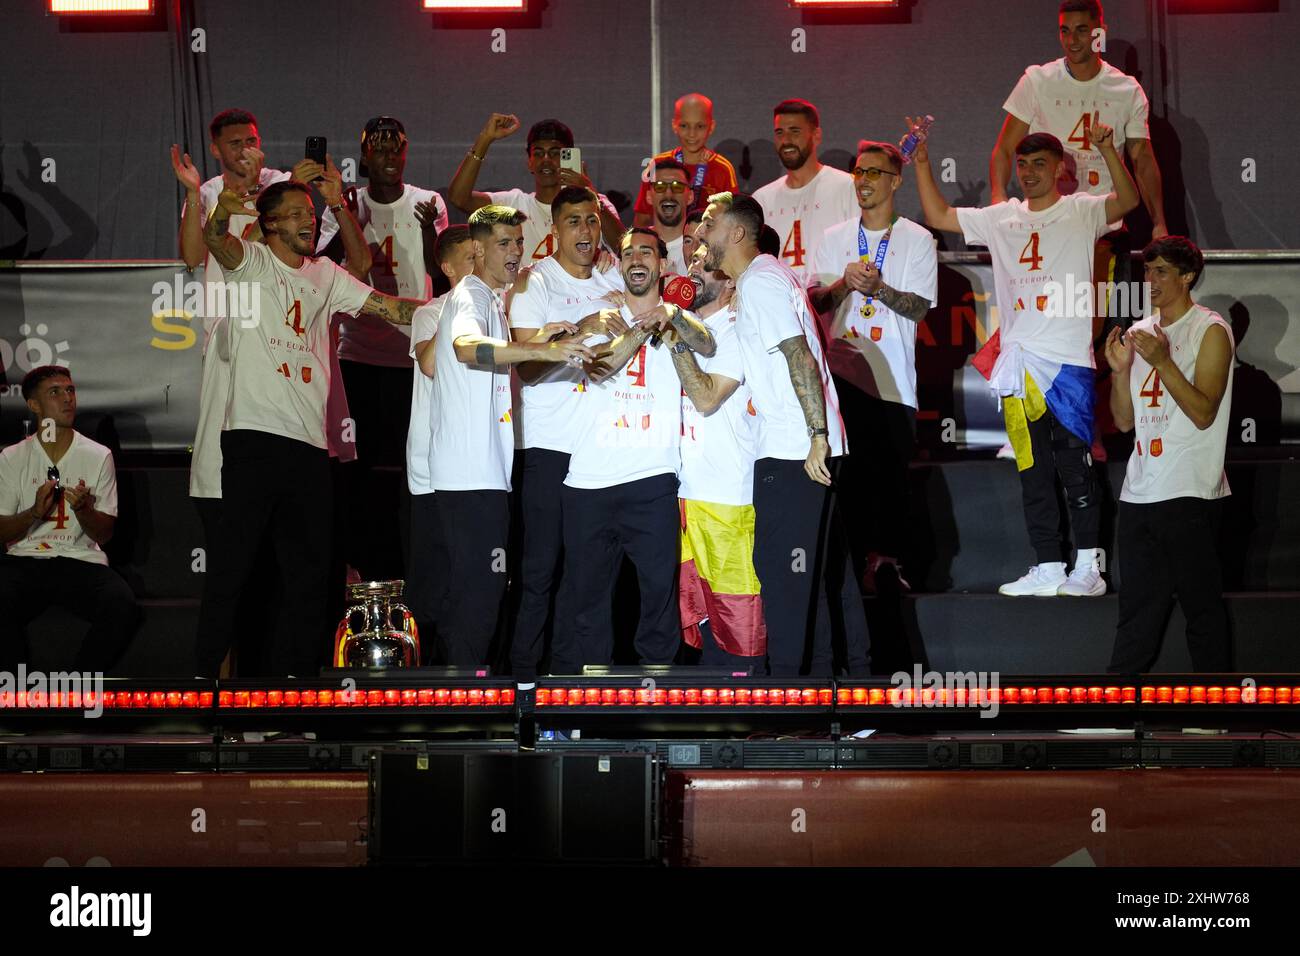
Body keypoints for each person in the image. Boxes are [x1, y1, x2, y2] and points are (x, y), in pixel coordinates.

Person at [193, 180, 427, 678]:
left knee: (309, 579)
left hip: (308, 449)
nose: (307, 219)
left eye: (310, 211)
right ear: (271, 222)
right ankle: (200, 692)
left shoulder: (326, 274)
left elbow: (391, 309)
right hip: (252, 440)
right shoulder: (253, 262)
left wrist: (452, 310)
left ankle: (291, 698)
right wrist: (219, 214)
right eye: (296, 212)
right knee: (231, 574)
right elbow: (218, 243)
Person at [914, 126, 1139, 597]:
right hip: (1018, 365)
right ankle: (1049, 565)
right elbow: (938, 214)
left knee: (1076, 468)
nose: (1030, 173)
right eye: (1023, 164)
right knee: (1033, 472)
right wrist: (921, 161)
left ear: (1060, 168)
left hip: (1067, 365)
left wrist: (1105, 149)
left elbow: (1128, 201)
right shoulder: (1002, 217)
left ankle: (1089, 567)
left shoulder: (1081, 210)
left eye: (1040, 164)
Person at [699, 193, 868, 676]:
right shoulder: (767, 279)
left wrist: (815, 434)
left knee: (787, 581)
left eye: (709, 225)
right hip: (806, 449)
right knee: (820, 581)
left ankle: (790, 709)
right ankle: (829, 701)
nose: (702, 236)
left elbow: (799, 355)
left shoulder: (760, 283)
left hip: (796, 453)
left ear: (736, 233)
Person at [428, 206, 595, 666]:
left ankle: (467, 706)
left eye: (520, 242)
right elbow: (466, 348)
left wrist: (543, 338)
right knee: (476, 598)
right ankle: (460, 711)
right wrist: (543, 347)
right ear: (477, 249)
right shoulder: (472, 295)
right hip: (468, 475)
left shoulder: (492, 302)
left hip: (482, 475)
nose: (516, 252)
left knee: (481, 593)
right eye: (504, 243)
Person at [554, 227, 715, 673]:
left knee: (658, 601)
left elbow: (708, 343)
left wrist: (672, 317)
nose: (636, 258)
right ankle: (589, 705)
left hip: (653, 479)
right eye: (628, 253)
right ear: (620, 264)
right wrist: (643, 330)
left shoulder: (683, 316)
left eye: (647, 251)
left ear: (663, 265)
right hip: (589, 482)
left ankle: (656, 707)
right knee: (587, 602)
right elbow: (599, 368)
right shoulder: (597, 316)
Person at [317, 115, 450, 582]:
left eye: (397, 149)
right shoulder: (349, 202)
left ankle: (410, 565)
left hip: (414, 354)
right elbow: (325, 264)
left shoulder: (428, 202)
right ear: (365, 153)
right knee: (360, 468)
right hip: (359, 353)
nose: (390, 158)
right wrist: (340, 212)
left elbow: (445, 271)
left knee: (408, 466)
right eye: (380, 149)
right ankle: (363, 566)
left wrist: (432, 231)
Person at [505, 186, 626, 683]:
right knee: (539, 573)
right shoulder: (536, 283)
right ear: (553, 229)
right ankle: (523, 682)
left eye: (592, 221)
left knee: (588, 577)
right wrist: (583, 324)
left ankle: (571, 682)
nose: (585, 231)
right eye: (574, 221)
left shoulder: (614, 279)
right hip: (550, 446)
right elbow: (529, 369)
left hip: (599, 453)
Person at [808, 141, 937, 590]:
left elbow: (920, 309)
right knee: (850, 478)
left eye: (874, 173)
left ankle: (889, 563)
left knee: (891, 478)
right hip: (843, 376)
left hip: (892, 380)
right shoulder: (833, 237)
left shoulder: (918, 239)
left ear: (895, 180)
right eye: (858, 172)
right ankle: (851, 562)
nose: (863, 181)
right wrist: (846, 283)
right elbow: (817, 301)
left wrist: (879, 290)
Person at [1105, 236, 1233, 673]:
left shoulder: (1210, 329)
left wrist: (1162, 362)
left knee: (1202, 609)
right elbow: (1123, 422)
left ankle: (1213, 715)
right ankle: (1117, 707)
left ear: (1187, 276)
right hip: (1140, 490)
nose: (1151, 280)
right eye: (1147, 270)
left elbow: (1203, 413)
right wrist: (1120, 375)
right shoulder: (1141, 333)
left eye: (1161, 271)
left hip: (1192, 489)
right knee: (1136, 610)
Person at [0, 367, 136, 673]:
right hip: (26, 560)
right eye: (55, 392)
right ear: (34, 406)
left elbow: (105, 535)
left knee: (121, 603)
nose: (67, 399)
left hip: (80, 560)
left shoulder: (97, 454)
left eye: (70, 390)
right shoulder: (12, 457)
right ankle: (17, 694)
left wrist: (85, 510)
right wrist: (33, 513)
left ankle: (77, 686)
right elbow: (2, 530)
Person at [675, 239, 766, 671]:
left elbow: (707, 398)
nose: (693, 267)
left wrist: (674, 337)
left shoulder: (738, 327)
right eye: (690, 259)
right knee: (699, 621)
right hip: (683, 496)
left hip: (728, 496)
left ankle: (753, 717)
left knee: (738, 619)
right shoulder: (684, 323)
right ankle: (712, 721)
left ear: (728, 279)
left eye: (704, 263)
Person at [406, 225, 477, 657]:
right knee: (434, 583)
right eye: (470, 258)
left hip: (481, 470)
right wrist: (459, 301)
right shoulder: (431, 312)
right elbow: (431, 364)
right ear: (447, 267)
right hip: (432, 471)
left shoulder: (495, 309)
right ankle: (428, 683)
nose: (479, 265)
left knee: (476, 581)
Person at [448, 114, 623, 261]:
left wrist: (590, 195)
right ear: (529, 162)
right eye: (538, 153)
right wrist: (485, 138)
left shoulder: (595, 204)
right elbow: (459, 198)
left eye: (555, 153)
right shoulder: (513, 204)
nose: (546, 159)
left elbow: (622, 247)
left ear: (570, 159)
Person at [752, 99, 858, 286]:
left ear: (816, 135)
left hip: (835, 306)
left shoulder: (846, 186)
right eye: (779, 132)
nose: (786, 140)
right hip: (781, 309)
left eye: (795, 131)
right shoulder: (762, 199)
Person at [632, 93, 738, 227]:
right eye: (684, 126)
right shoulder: (656, 165)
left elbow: (731, 219)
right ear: (674, 125)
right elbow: (642, 218)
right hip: (664, 244)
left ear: (711, 127)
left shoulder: (723, 168)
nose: (692, 133)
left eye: (700, 126)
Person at [647, 158, 694, 275]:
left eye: (677, 186)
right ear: (648, 196)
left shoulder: (701, 248)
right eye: (660, 186)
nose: (668, 194)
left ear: (690, 196)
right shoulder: (635, 245)